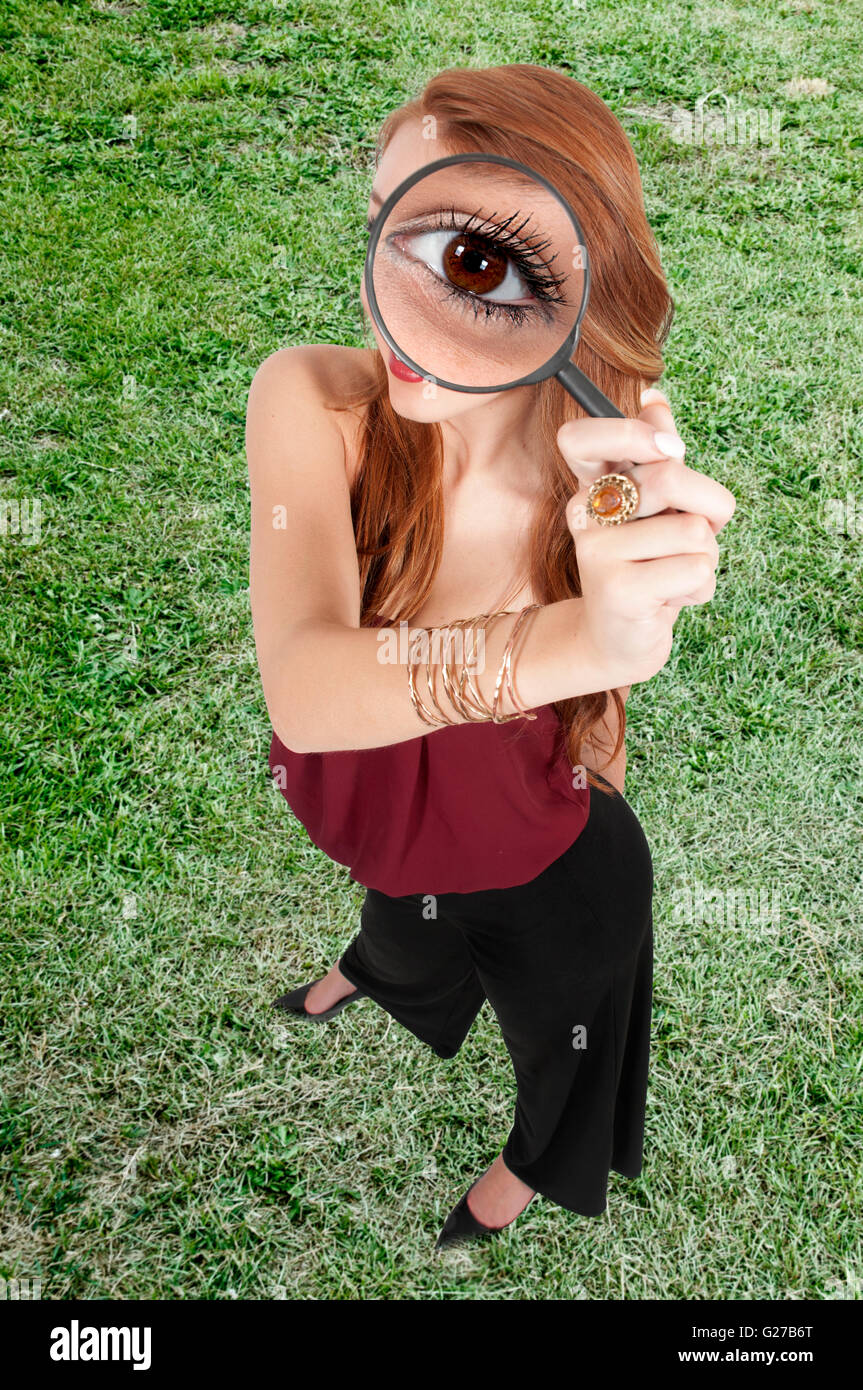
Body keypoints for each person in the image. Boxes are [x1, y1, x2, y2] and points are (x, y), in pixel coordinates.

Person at [245, 63, 736, 1251]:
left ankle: (527, 1167)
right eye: (382, 233)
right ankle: (381, 967)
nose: (385, 312)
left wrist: (606, 638)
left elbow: (600, 704)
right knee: (401, 919)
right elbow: (311, 694)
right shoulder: (313, 399)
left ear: (581, 291)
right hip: (382, 807)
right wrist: (560, 641)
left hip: (545, 854)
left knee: (566, 1034)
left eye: (472, 264)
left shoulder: (596, 483)